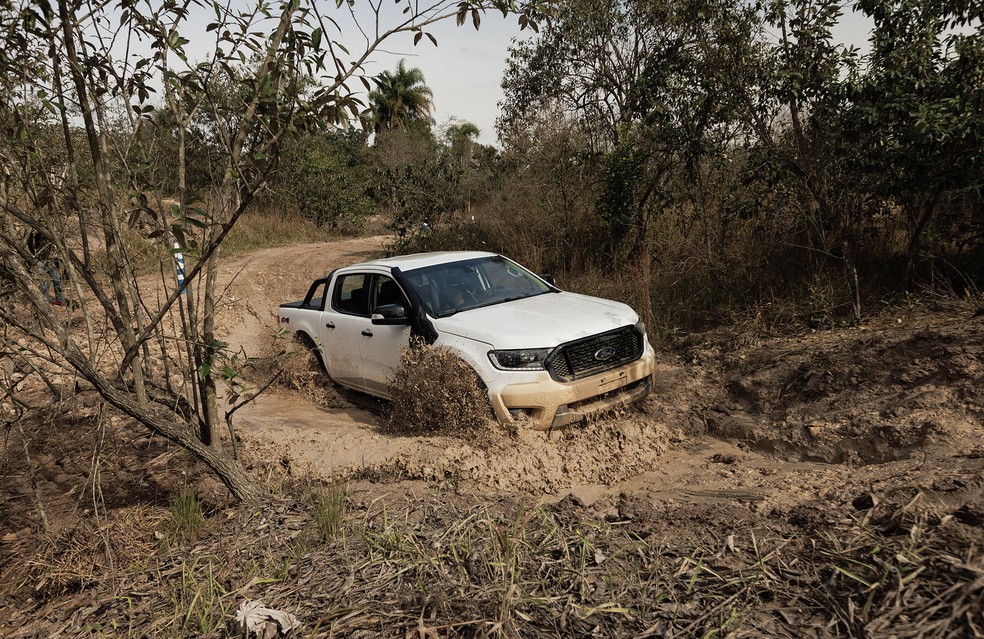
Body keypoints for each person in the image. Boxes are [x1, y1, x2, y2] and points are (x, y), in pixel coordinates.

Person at [28, 229, 64, 306]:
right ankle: (45, 300)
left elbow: (53, 246)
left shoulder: (47, 235)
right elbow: (30, 246)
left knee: (57, 279)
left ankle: (59, 300)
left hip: (49, 260)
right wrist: (32, 236)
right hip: (39, 261)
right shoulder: (32, 237)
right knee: (43, 282)